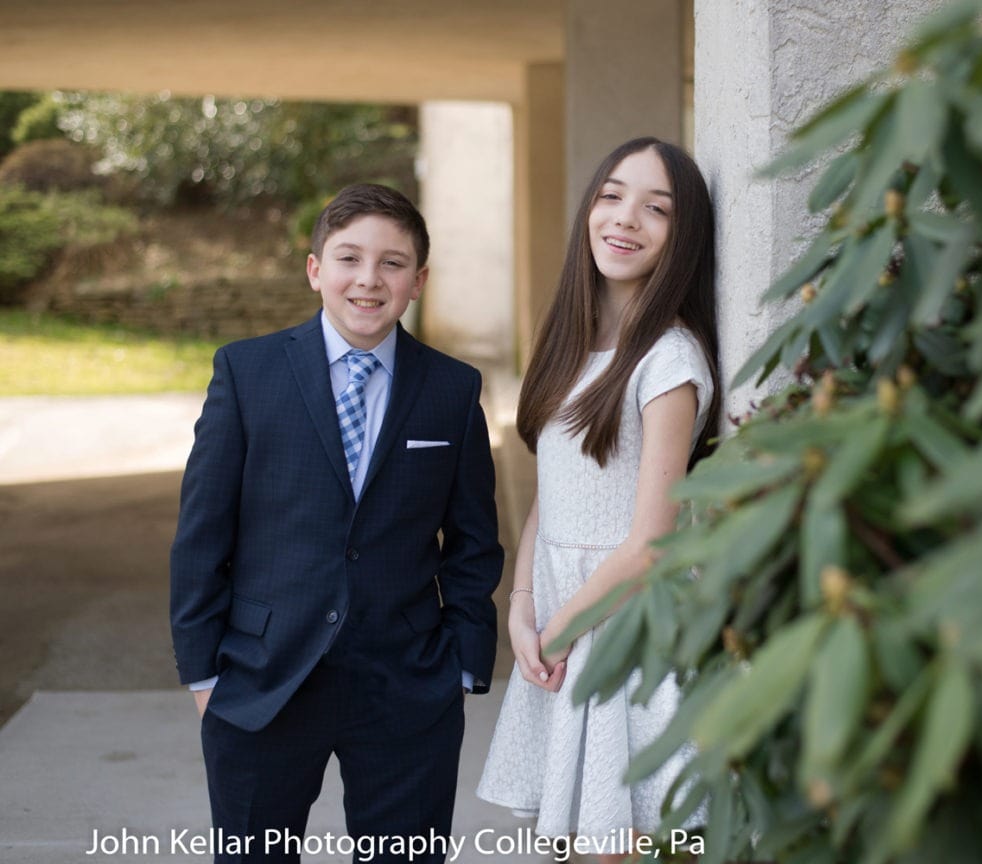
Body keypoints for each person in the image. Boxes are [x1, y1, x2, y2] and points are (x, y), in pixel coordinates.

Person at [170, 183, 503, 864]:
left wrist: (463, 662)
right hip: (262, 678)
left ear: (418, 281)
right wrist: (203, 676)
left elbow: (473, 540)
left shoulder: (452, 388)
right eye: (349, 258)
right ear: (315, 269)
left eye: (392, 263)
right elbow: (203, 533)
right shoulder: (247, 371)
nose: (368, 279)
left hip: (406, 683)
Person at [477, 137, 719, 861]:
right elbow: (549, 497)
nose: (625, 218)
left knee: (619, 845)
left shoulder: (669, 360)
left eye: (656, 209)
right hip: (567, 613)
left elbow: (650, 544)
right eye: (612, 196)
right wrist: (522, 608)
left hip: (626, 623)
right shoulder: (572, 346)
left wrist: (555, 633)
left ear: (684, 237)